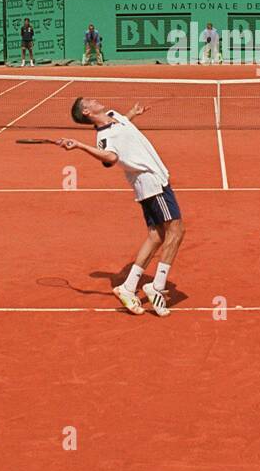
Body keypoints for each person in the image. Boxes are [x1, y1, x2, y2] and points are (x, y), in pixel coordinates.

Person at [61, 96, 185, 317]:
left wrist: (131, 114)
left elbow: (122, 128)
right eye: (89, 100)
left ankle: (127, 287)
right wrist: (80, 145)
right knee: (176, 231)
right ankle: (157, 286)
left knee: (156, 235)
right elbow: (110, 157)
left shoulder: (114, 116)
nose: (95, 99)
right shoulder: (103, 137)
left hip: (153, 179)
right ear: (87, 112)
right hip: (151, 181)